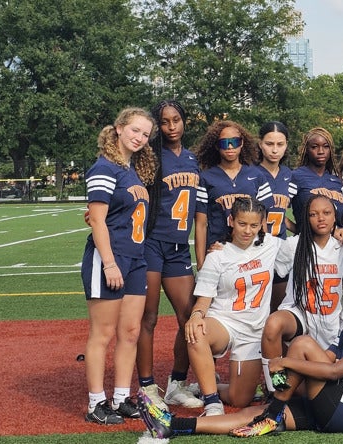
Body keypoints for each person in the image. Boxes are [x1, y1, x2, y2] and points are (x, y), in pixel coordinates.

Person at [137, 283, 343, 438]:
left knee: (302, 343)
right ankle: (174, 425)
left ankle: (275, 406)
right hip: (334, 405)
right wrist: (288, 369)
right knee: (253, 413)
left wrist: (286, 363)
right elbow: (324, 361)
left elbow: (333, 371)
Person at [81, 107, 156, 424]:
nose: (139, 138)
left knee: (130, 331)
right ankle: (96, 403)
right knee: (103, 333)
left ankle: (122, 397)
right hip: (110, 259)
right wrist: (110, 264)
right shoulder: (105, 167)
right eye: (135, 130)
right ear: (119, 129)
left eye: (145, 134)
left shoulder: (132, 170)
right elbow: (97, 219)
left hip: (136, 258)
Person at [185, 197, 283, 416]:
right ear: (231, 220)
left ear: (262, 224)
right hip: (224, 321)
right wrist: (196, 315)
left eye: (254, 225)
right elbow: (203, 300)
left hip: (254, 331)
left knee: (240, 399)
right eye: (242, 224)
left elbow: (304, 248)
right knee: (196, 331)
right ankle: (211, 402)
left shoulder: (273, 245)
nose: (248, 231)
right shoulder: (218, 255)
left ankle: (205, 388)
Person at [134, 100, 203, 411]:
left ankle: (176, 382)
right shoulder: (149, 157)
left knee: (188, 318)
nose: (172, 126)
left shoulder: (193, 159)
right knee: (147, 318)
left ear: (184, 122)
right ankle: (147, 386)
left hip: (178, 248)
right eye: (165, 121)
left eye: (177, 120)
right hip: (151, 243)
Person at [261, 194, 343, 391]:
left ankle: (288, 387)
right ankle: (275, 387)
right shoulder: (294, 245)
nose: (321, 218)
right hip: (300, 315)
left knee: (311, 389)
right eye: (313, 214)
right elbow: (262, 259)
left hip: (331, 322)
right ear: (306, 219)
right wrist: (223, 248)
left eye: (326, 213)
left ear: (335, 217)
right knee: (274, 324)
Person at [193, 120, 273, 271]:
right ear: (216, 146)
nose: (230, 147)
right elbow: (201, 224)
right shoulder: (206, 177)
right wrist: (201, 263)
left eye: (234, 142)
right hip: (217, 250)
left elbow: (263, 222)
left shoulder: (257, 175)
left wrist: (261, 252)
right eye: (224, 143)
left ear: (242, 143)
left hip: (249, 252)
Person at [255, 121, 294, 310]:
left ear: (286, 145)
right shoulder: (251, 173)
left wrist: (297, 228)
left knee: (278, 310)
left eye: (280, 144)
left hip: (280, 250)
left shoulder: (289, 175)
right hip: (255, 249)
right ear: (260, 143)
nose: (274, 150)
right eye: (269, 144)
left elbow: (281, 212)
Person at [288, 127, 343, 237]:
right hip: (308, 244)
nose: (321, 151)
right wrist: (299, 231)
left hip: (336, 245)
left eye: (326, 147)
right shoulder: (296, 176)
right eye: (314, 147)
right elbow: (278, 209)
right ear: (306, 150)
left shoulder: (337, 180)